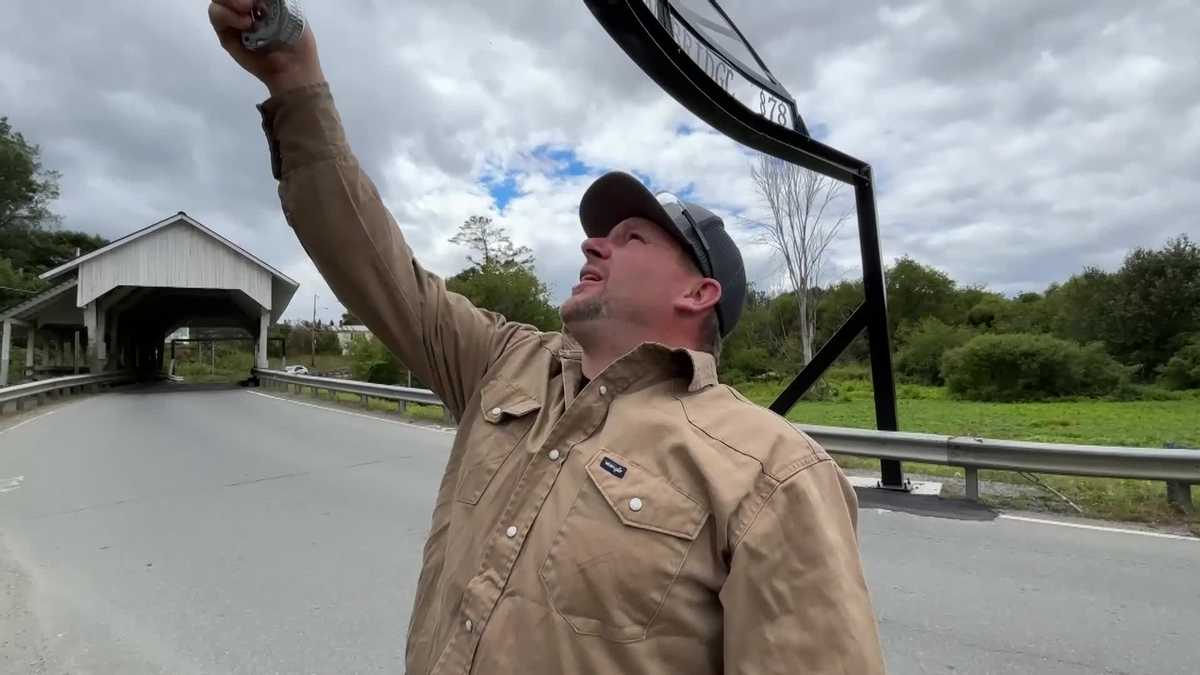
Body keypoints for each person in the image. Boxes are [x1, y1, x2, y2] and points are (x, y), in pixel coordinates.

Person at [208, 2, 886, 673]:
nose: (594, 244)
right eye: (600, 232)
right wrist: (295, 79)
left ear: (698, 292)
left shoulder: (772, 472)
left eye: (631, 237)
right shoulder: (503, 363)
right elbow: (369, 258)